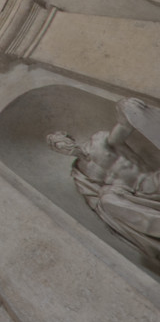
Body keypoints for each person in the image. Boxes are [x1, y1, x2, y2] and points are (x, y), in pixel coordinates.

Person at [48, 97, 160, 259]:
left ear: (68, 137)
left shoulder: (99, 141)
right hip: (136, 198)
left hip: (151, 181)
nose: (61, 147)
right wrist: (114, 193)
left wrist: (126, 109)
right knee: (105, 200)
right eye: (56, 147)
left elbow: (124, 127)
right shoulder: (80, 172)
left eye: (59, 142)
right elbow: (96, 202)